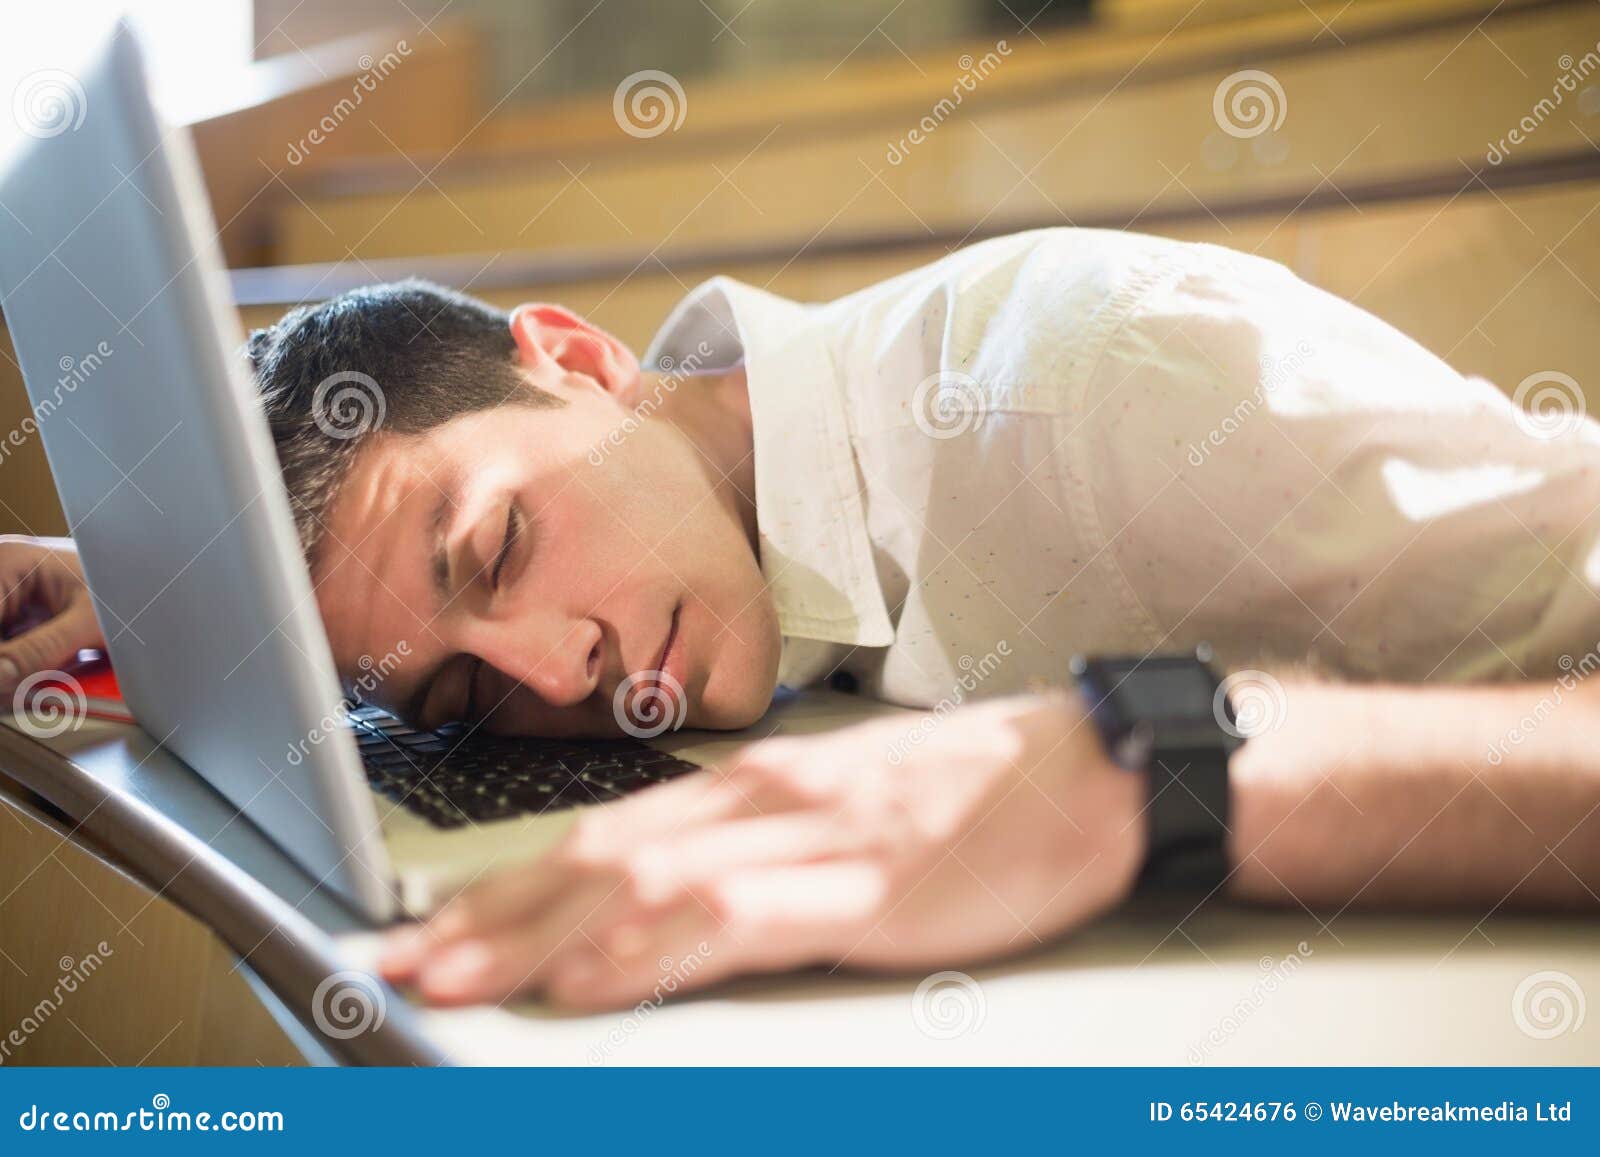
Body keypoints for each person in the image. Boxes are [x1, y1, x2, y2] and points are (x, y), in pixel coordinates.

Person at [2, 228, 1597, 1010]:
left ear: (572, 353)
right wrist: (176, 595)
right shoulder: (732, 519)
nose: (566, 672)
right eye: (460, 706)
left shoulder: (1110, 381)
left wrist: (1144, 764)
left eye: (494, 548)